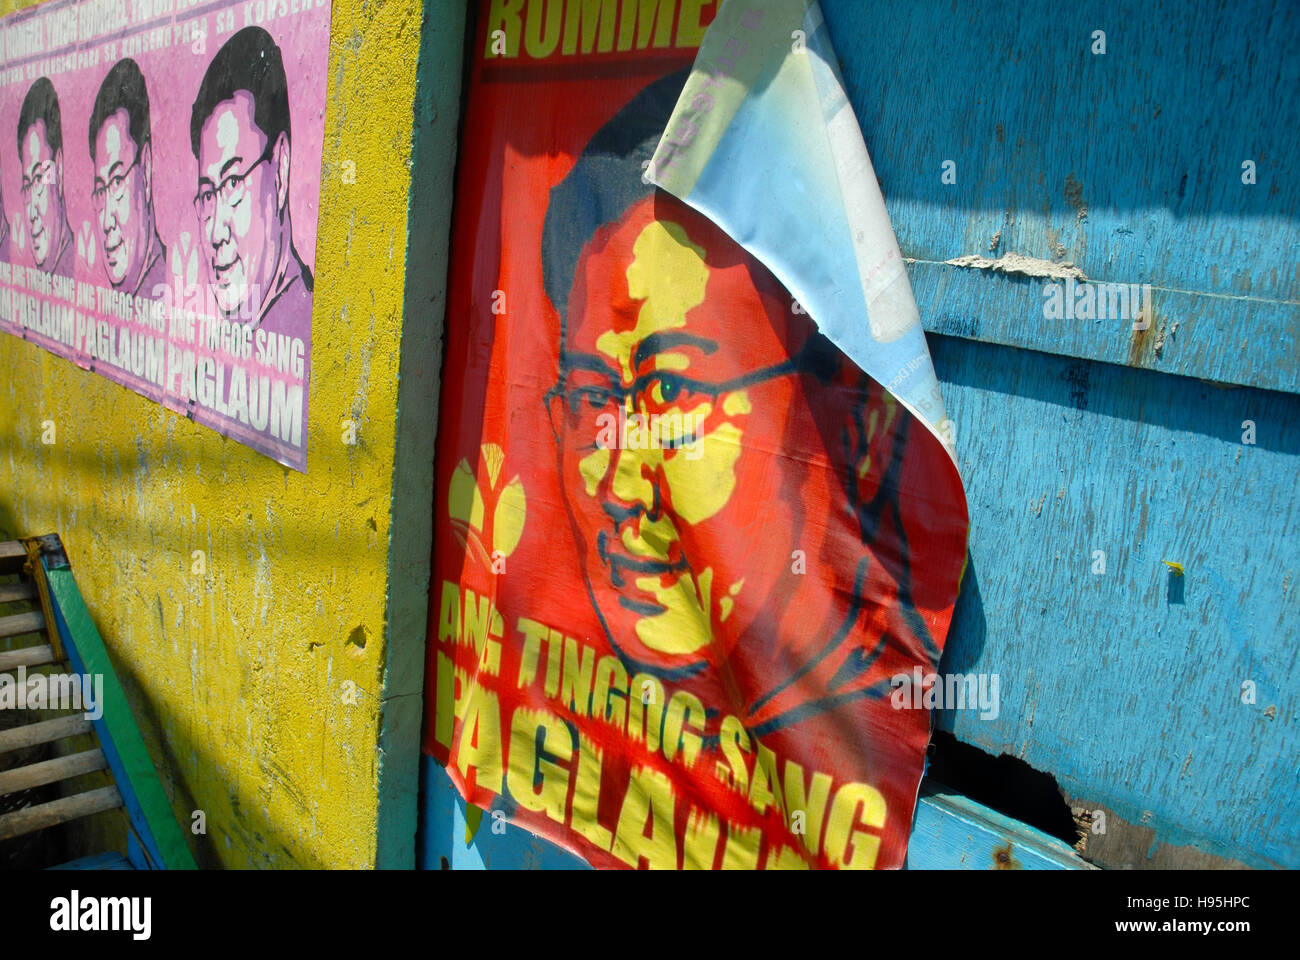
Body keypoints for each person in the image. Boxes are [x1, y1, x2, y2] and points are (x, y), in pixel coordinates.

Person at [541, 72, 965, 737]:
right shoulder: (564, 705)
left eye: (672, 393)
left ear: (856, 422)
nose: (624, 486)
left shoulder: (865, 718)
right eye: (593, 397)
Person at [189, 26, 312, 332]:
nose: (216, 232)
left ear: (280, 170)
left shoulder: (309, 331)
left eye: (232, 183)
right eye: (207, 195)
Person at [89, 58, 167, 298]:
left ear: (145, 170)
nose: (106, 221)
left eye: (117, 182)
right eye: (101, 191)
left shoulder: (169, 290)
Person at [17, 77, 73, 278]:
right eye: (26, 186)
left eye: (39, 180)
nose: (31, 212)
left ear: (57, 169)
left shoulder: (76, 267)